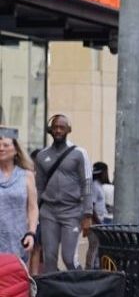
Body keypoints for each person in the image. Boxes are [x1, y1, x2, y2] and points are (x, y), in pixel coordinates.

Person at [34, 114, 92, 272]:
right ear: (50, 130)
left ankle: (82, 291)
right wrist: (35, 214)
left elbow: (87, 183)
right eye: (55, 127)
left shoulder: (79, 153)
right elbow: (38, 187)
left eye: (62, 127)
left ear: (69, 130)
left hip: (72, 211)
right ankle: (54, 295)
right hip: (48, 212)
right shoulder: (42, 155)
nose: (58, 130)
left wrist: (88, 215)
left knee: (69, 259)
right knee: (49, 259)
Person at [0, 132, 38, 261]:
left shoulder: (27, 175)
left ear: (16, 149)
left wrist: (31, 233)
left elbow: (33, 208)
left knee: (16, 277)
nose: (1, 148)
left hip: (18, 238)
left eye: (6, 145)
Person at [85, 161, 111, 268]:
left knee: (98, 247)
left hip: (101, 219)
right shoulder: (95, 186)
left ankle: (95, 267)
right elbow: (92, 206)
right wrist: (98, 222)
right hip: (96, 222)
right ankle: (89, 268)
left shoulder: (100, 185)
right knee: (94, 247)